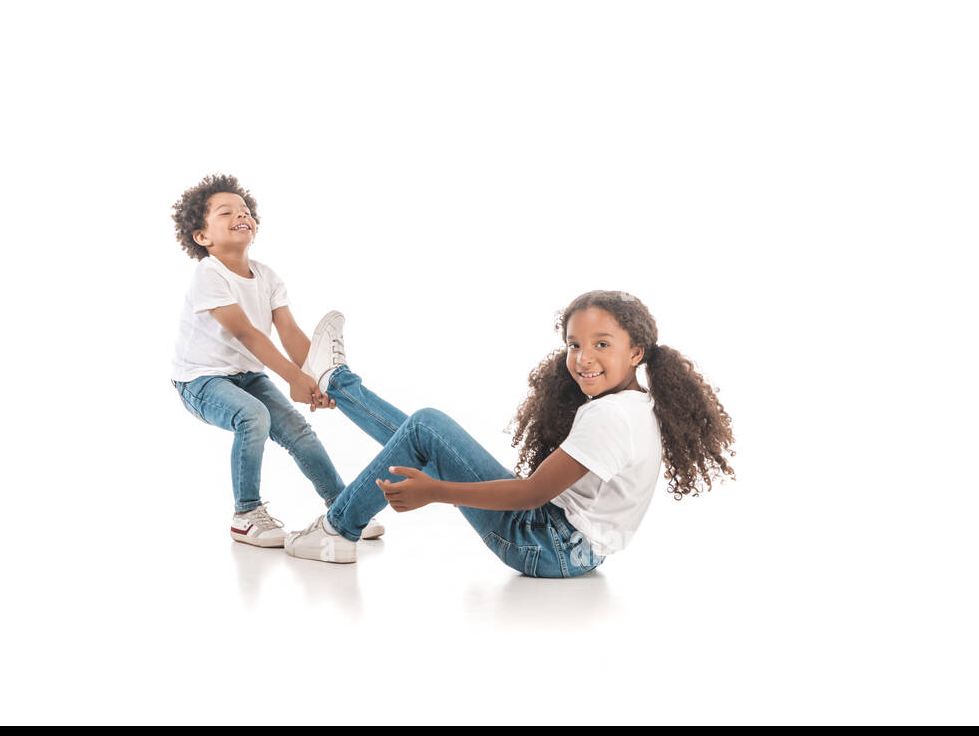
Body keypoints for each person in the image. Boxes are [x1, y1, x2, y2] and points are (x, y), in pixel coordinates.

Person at [285, 290, 736, 575]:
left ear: (636, 352)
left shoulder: (611, 416)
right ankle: (337, 384)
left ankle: (336, 527)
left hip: (544, 545)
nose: (583, 358)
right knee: (424, 433)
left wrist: (437, 492)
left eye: (602, 344)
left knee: (426, 426)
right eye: (574, 345)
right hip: (572, 551)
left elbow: (532, 494)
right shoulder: (635, 405)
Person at [168, 174, 384, 548]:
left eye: (246, 210)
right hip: (200, 381)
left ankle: (343, 509)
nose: (242, 215)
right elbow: (248, 334)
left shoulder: (267, 276)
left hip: (247, 375)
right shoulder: (209, 274)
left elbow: (289, 333)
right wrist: (292, 379)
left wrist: (316, 379)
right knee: (253, 416)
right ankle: (246, 514)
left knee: (299, 431)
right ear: (202, 237)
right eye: (226, 212)